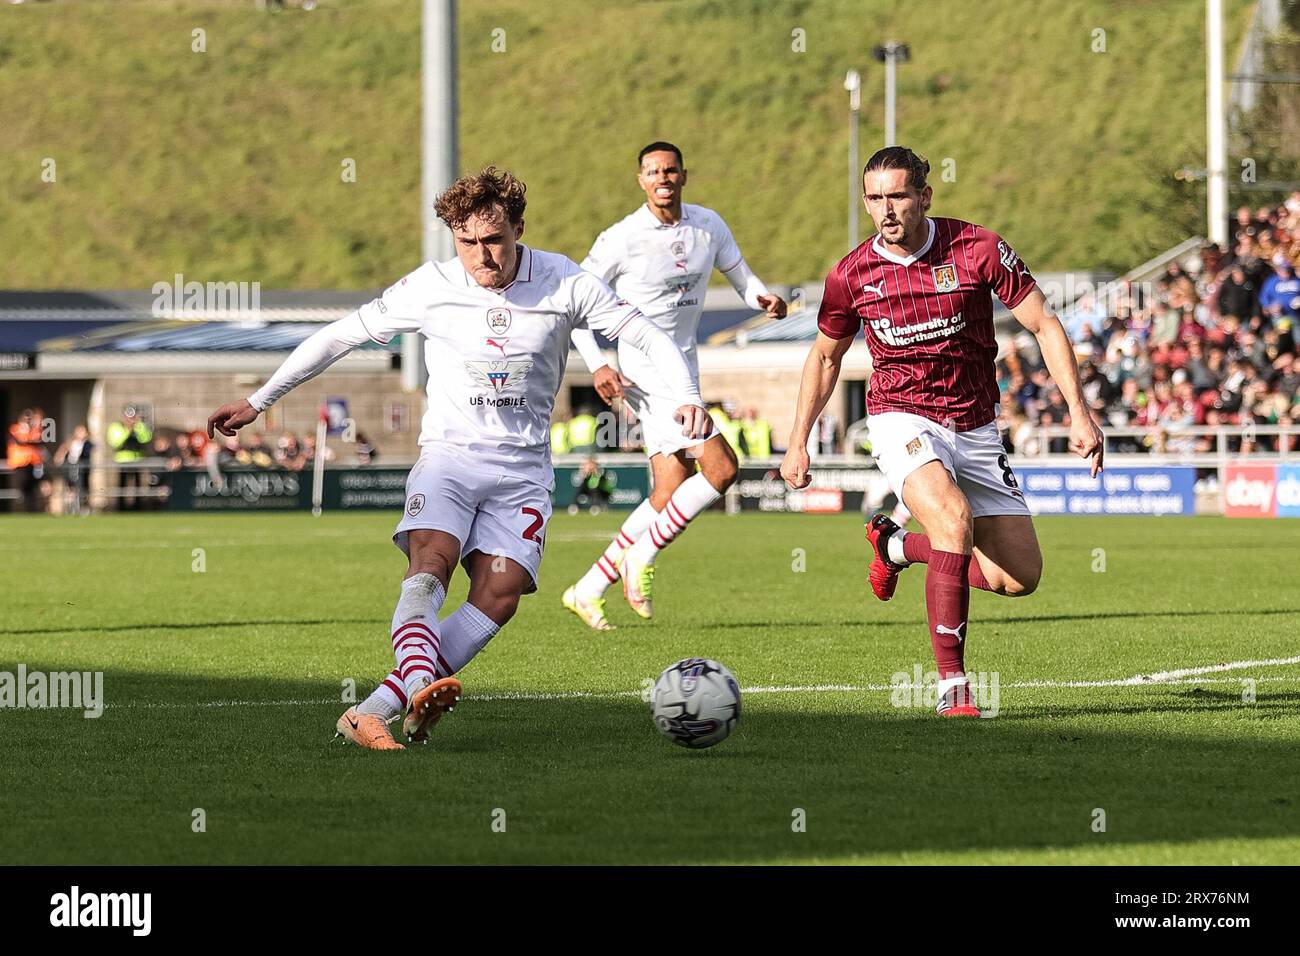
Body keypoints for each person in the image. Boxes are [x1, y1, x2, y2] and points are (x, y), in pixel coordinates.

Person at [206, 166, 708, 750]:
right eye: (467, 242)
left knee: (502, 591)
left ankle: (368, 712)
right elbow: (339, 335)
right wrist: (259, 399)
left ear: (519, 229)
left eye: (494, 240)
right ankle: (422, 680)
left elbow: (646, 334)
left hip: (522, 470)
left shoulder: (564, 281)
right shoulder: (431, 285)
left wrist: (689, 398)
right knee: (431, 562)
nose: (482, 256)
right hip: (449, 457)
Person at [780, 146, 1103, 718]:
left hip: (976, 424)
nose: (886, 210)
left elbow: (1045, 323)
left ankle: (896, 545)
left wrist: (1078, 410)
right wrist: (798, 440)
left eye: (898, 196)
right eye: (875, 198)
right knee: (954, 518)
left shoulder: (977, 247)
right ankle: (953, 686)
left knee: (1017, 578)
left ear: (924, 196)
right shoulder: (851, 274)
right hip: (900, 416)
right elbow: (826, 357)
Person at [563, 141, 786, 630]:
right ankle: (641, 555)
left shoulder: (708, 225)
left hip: (684, 363)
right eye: (651, 172)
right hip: (644, 371)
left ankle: (589, 586)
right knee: (724, 469)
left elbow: (741, 275)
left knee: (669, 488)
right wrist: (598, 364)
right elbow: (574, 304)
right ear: (640, 180)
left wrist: (761, 296)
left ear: (684, 175)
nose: (662, 178)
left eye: (669, 170)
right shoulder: (621, 238)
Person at [7, 408, 47, 513]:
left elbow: (39, 442)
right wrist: (29, 441)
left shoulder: (34, 430)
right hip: (20, 463)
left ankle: (34, 510)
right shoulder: (15, 429)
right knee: (24, 486)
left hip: (32, 463)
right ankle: (27, 509)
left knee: (34, 487)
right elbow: (20, 441)